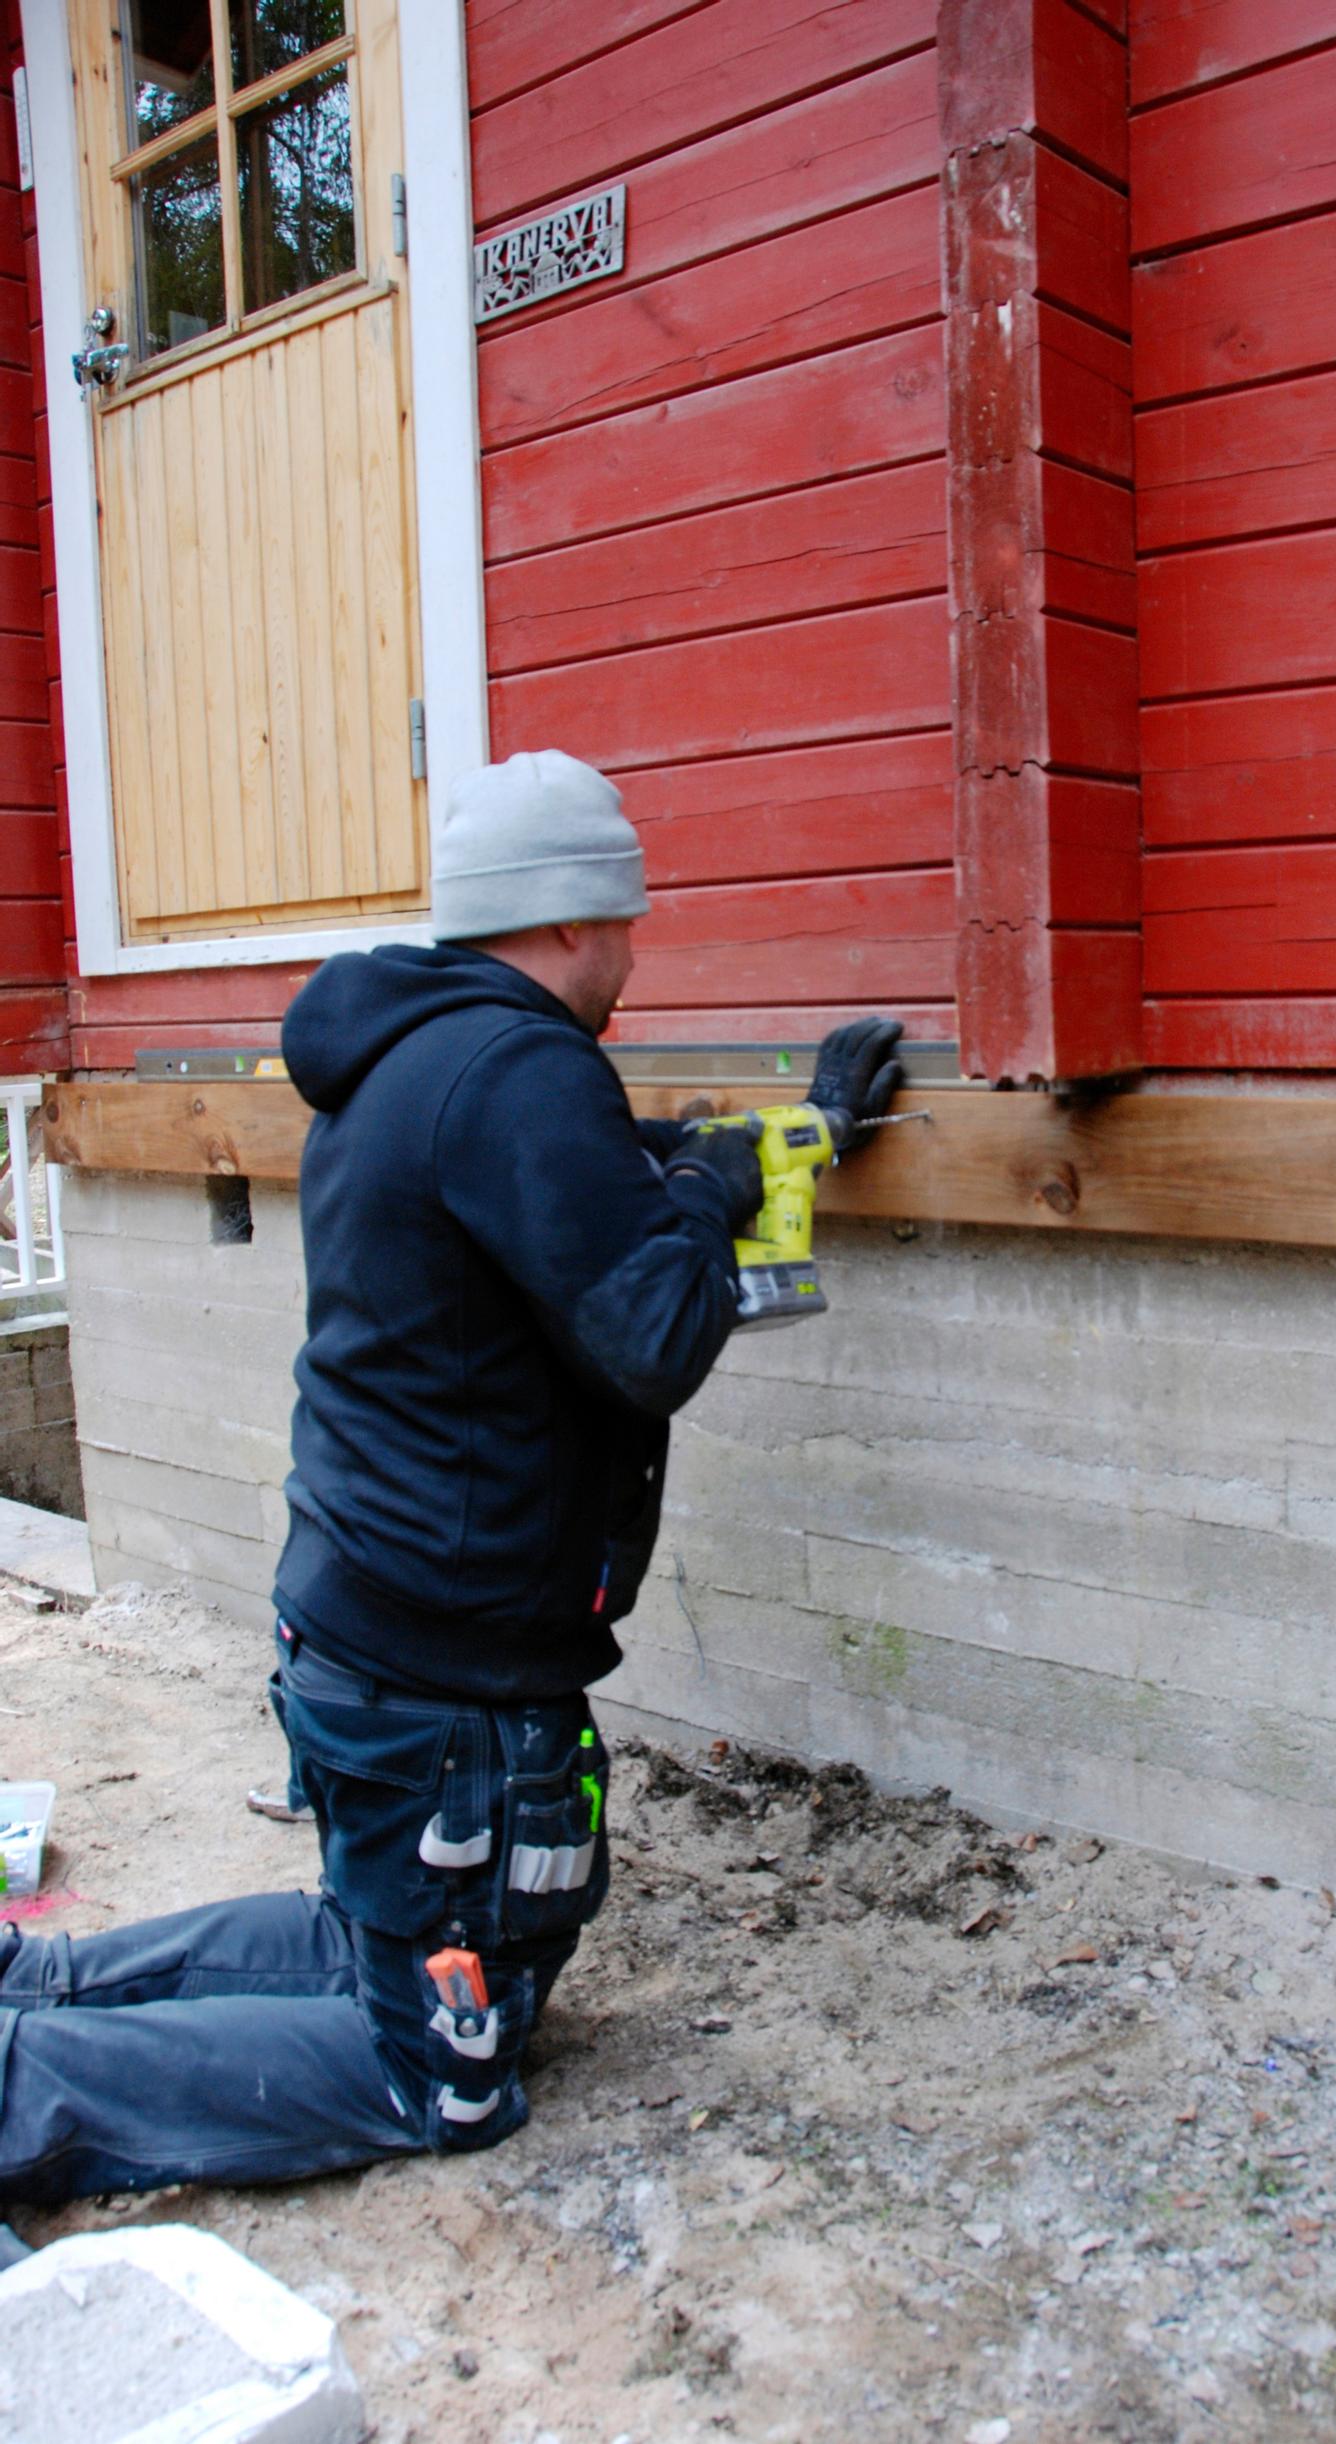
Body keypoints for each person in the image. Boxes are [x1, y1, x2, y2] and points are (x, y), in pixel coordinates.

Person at [0, 750, 904, 2204]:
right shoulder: (522, 1068)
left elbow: (585, 1185)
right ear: (565, 918)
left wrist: (751, 1156)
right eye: (625, 919)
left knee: (386, 1930)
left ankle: (37, 1987)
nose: (636, 948)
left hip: (369, 1627)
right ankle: (18, 2084)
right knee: (437, 2065)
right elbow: (654, 1334)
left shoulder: (422, 1054)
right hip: (442, 1681)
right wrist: (714, 1199)